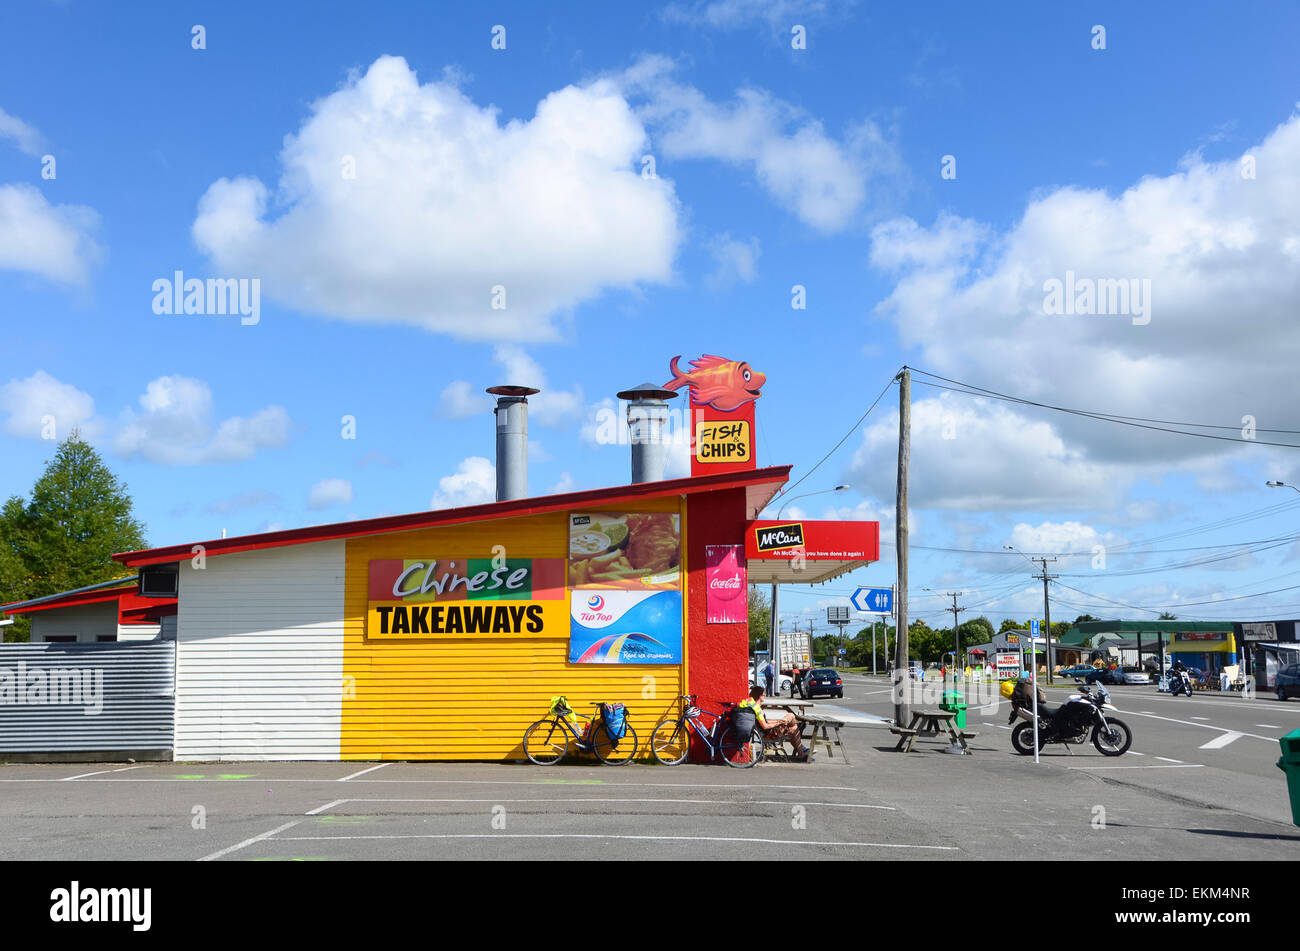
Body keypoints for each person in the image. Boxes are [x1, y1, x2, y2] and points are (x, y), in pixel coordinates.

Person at [740, 686, 810, 762]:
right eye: (764, 695)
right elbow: (765, 726)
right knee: (794, 726)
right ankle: (801, 752)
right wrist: (779, 723)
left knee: (792, 723)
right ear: (759, 696)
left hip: (766, 732)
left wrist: (776, 722)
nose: (765, 696)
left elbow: (764, 722)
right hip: (769, 734)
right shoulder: (758, 710)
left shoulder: (754, 706)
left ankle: (801, 751)